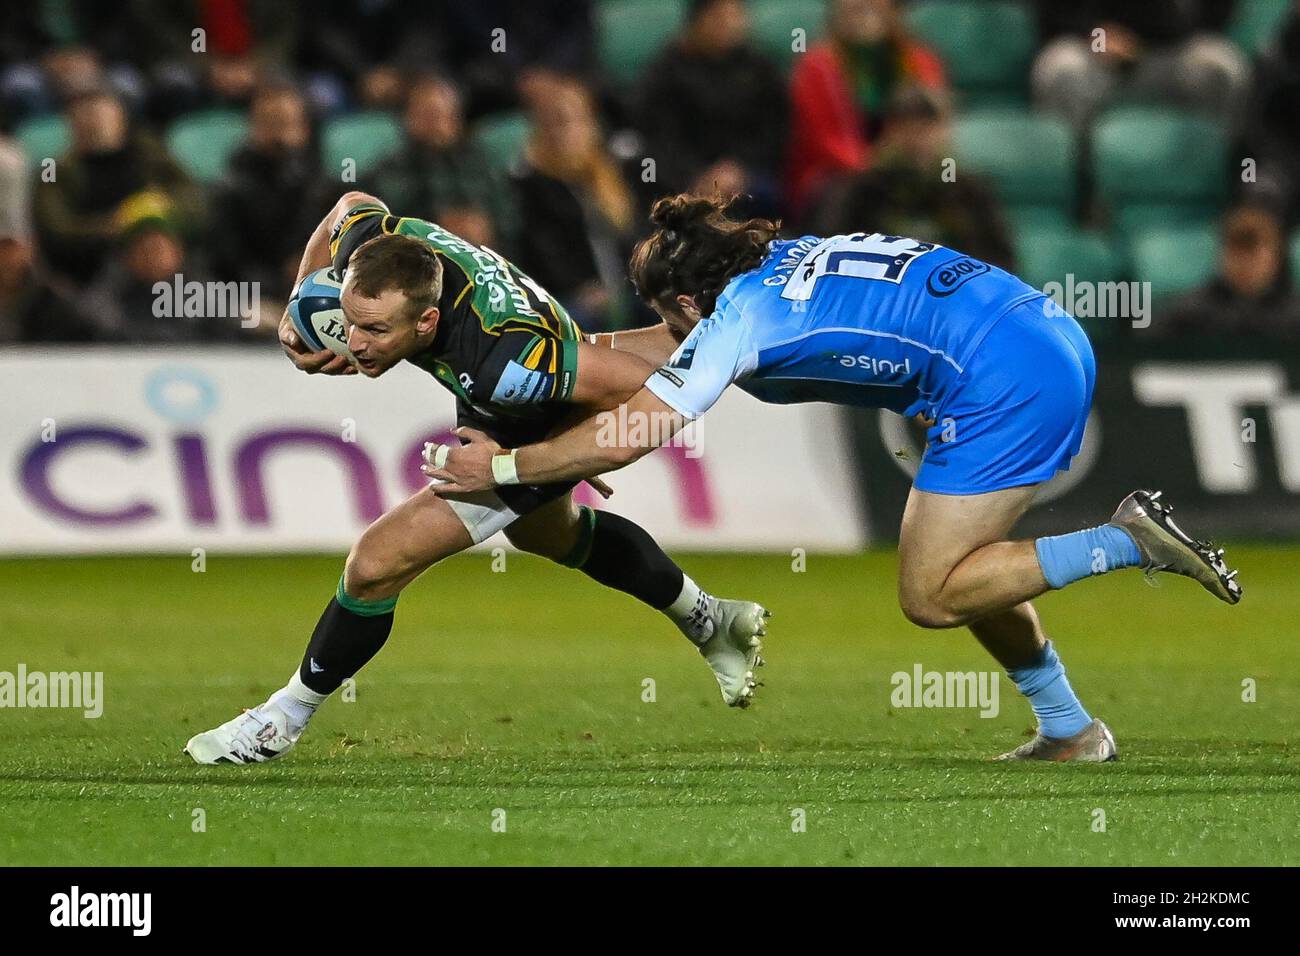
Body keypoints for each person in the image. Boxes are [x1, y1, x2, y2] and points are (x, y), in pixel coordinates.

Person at [424, 193, 1245, 763]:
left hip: (1002, 379)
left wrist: (502, 465)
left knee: (932, 594)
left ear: (685, 300)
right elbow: (652, 353)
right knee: (968, 569)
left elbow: (632, 433)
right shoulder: (768, 266)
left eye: (665, 311)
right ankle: (1067, 728)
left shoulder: (733, 321)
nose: (668, 329)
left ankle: (1123, 541)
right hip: (1040, 333)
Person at [184, 192, 769, 765]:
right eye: (352, 321)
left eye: (378, 332)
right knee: (548, 536)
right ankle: (711, 619)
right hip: (527, 372)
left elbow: (633, 390)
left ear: (429, 319)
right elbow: (348, 203)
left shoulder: (505, 363)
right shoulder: (374, 247)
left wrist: (575, 450)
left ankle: (281, 718)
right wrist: (296, 305)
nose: (356, 344)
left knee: (375, 563)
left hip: (534, 403)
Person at [786, 0, 945, 214]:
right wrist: (876, 167)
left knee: (959, 189)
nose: (861, 11)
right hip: (840, 173)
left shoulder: (921, 60)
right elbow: (826, 141)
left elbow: (935, 120)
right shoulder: (817, 65)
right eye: (853, 7)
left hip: (911, 161)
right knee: (854, 193)